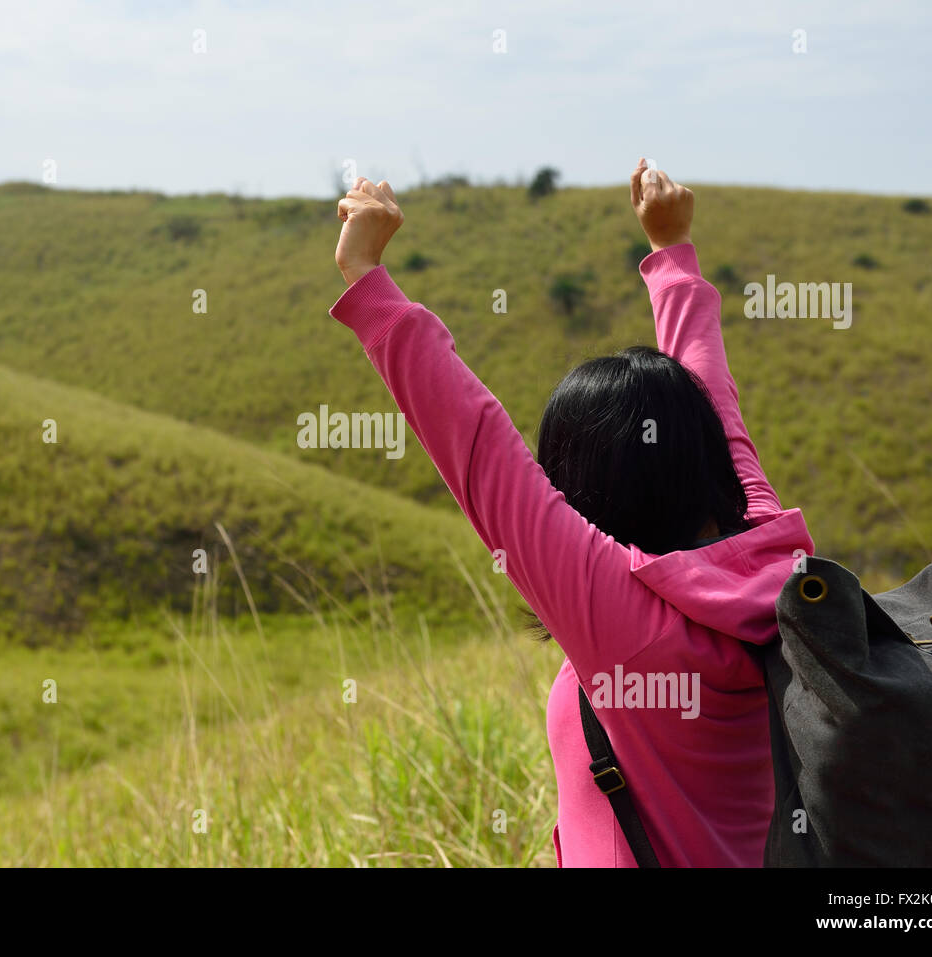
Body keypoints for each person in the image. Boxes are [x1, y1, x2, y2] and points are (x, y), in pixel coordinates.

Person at [328, 160, 814, 867]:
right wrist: (670, 255)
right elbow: (716, 408)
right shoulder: (776, 560)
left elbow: (480, 446)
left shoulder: (618, 614)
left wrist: (367, 277)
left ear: (581, 488)